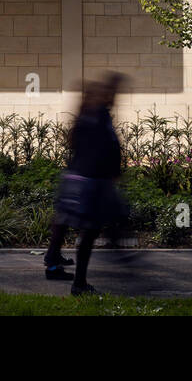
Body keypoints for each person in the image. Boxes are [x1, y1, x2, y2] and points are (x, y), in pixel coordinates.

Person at [43, 73, 128, 296]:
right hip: (91, 183)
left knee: (64, 221)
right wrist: (111, 173)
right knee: (89, 232)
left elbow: (78, 144)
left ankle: (53, 263)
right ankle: (79, 284)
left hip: (77, 178)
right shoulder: (98, 116)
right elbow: (105, 149)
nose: (115, 96)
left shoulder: (87, 115)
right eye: (113, 92)